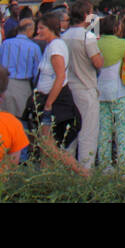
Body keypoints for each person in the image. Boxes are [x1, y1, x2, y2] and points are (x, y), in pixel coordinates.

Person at [61, 0, 104, 169]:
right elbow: (98, 62)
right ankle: (86, 170)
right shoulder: (88, 37)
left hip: (68, 88)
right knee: (87, 133)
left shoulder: (64, 36)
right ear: (86, 15)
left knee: (70, 132)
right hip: (86, 87)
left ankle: (68, 168)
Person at [96, 15, 125, 169]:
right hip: (120, 91)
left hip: (100, 92)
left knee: (104, 131)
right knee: (122, 130)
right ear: (116, 28)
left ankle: (104, 165)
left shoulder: (96, 43)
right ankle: (123, 166)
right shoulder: (122, 44)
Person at [31, 12, 79, 150]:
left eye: (41, 28)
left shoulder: (55, 47)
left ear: (51, 28)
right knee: (46, 145)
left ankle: (81, 171)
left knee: (49, 146)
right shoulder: (50, 46)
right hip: (48, 98)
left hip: (54, 101)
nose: (38, 31)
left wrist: (48, 103)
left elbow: (60, 76)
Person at [0, 18, 41, 119]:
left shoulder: (6, 44)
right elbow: (37, 74)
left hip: (5, 85)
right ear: (30, 30)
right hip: (23, 86)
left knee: (4, 119)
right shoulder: (34, 47)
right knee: (22, 119)